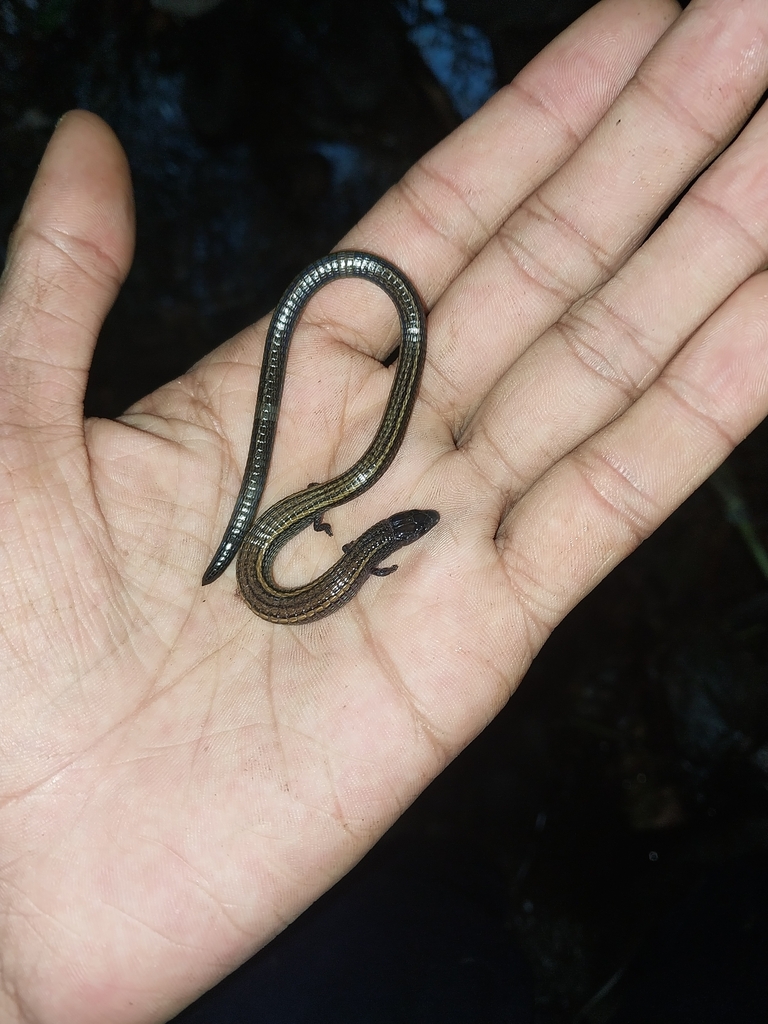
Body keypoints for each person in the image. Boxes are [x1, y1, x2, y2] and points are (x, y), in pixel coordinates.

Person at [1, 0, 766, 1020]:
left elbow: (370, 553)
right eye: (404, 531)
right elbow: (367, 555)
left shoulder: (357, 540)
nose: (408, 527)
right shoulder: (345, 546)